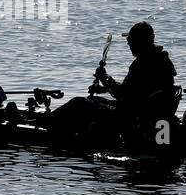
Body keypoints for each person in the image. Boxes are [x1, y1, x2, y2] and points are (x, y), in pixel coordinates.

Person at [47, 21, 179, 142]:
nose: (128, 44)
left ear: (140, 41)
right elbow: (137, 90)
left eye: (130, 40)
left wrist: (105, 79)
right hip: (142, 111)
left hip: (129, 117)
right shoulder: (162, 60)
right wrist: (104, 89)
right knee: (95, 100)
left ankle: (44, 123)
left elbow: (123, 93)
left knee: (78, 102)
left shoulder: (143, 64)